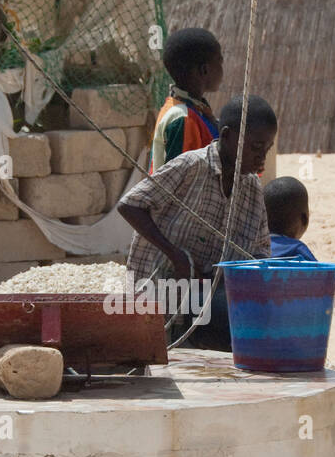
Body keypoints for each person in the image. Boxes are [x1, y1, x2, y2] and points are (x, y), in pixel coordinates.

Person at [118, 94, 275, 351]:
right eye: (256, 148)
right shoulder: (191, 166)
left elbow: (259, 251)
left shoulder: (252, 188)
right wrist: (175, 255)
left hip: (204, 303)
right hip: (159, 295)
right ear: (227, 137)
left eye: (266, 150)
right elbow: (130, 205)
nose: (262, 159)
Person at [148, 27, 224, 172]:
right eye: (219, 61)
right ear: (204, 70)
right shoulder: (183, 118)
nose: (222, 68)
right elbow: (180, 180)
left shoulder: (196, 110)